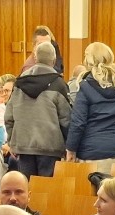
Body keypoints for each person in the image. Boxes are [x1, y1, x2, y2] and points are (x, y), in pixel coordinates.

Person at [65, 43, 115, 174]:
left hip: (90, 152)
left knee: (89, 194)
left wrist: (71, 149)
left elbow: (78, 122)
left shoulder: (85, 87)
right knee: (113, 193)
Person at [6, 43, 71, 178]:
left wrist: (12, 142)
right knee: (46, 192)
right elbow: (66, 120)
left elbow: (9, 117)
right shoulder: (59, 84)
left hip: (24, 146)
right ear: (53, 61)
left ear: (35, 59)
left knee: (27, 189)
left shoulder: (19, 83)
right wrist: (68, 145)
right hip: (50, 147)